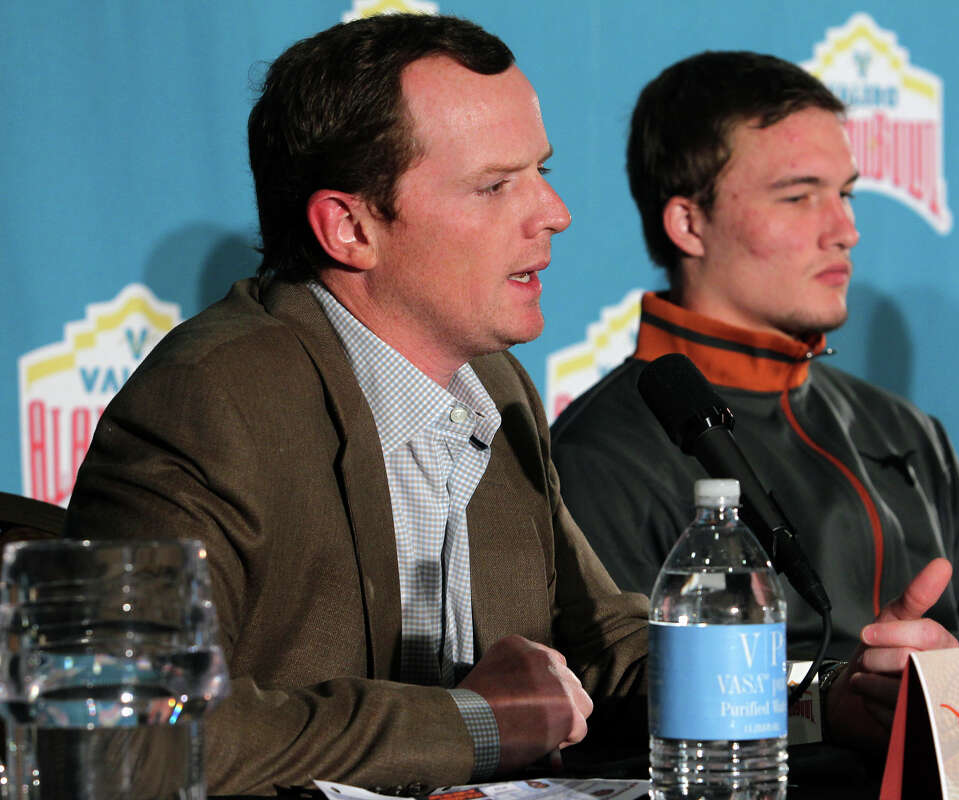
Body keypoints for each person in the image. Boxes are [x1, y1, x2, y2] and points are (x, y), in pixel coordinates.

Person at [65, 14, 646, 796]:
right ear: (350, 228)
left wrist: (799, 692)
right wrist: (474, 725)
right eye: (495, 185)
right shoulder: (208, 403)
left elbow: (603, 649)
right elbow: (135, 734)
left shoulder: (497, 386)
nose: (554, 211)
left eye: (541, 170)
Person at [550, 51, 959, 752]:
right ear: (688, 224)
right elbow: (619, 710)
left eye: (846, 194)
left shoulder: (906, 429)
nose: (844, 229)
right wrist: (831, 700)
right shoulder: (599, 454)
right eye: (798, 197)